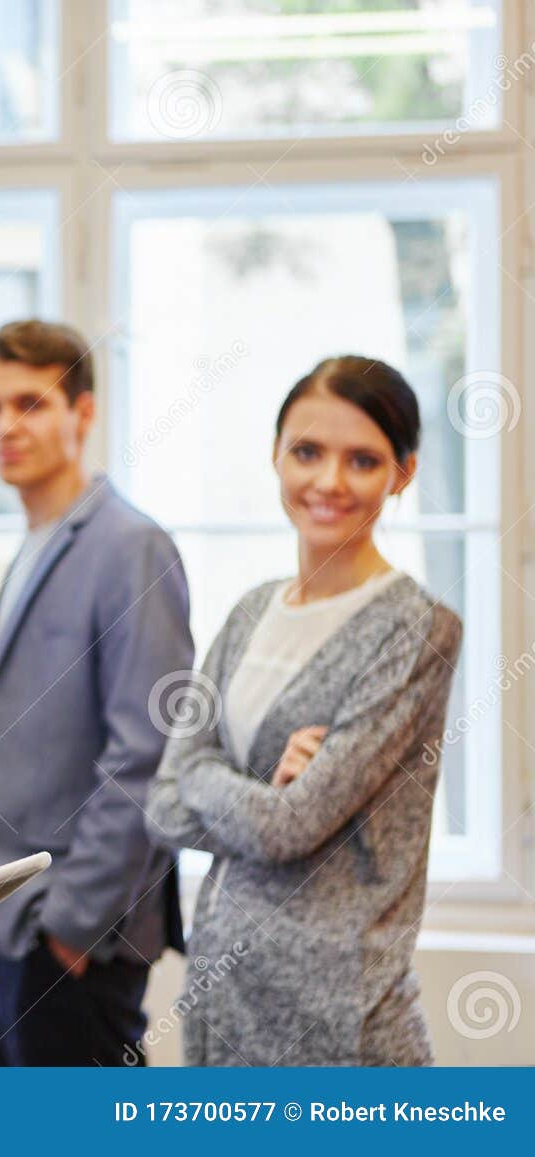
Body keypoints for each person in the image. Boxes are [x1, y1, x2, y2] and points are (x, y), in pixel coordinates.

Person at [146, 355, 462, 1066]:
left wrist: (205, 770)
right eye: (308, 452)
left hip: (340, 1025)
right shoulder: (251, 610)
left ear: (402, 473)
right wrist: (239, 783)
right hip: (224, 1002)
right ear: (276, 455)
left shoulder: (416, 628)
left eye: (362, 460)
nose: (328, 481)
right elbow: (162, 806)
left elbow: (291, 824)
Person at [0, 320, 192, 1066]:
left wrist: (70, 931)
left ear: (83, 413)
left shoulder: (128, 545)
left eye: (30, 403)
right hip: (2, 921)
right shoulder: (36, 541)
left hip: (66, 938)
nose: (4, 426)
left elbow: (146, 752)